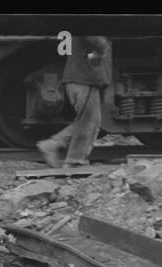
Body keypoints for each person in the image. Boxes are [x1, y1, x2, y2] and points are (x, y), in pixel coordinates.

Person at [37, 36, 112, 169]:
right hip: (84, 80)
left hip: (83, 80)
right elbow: (91, 36)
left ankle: (53, 144)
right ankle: (74, 161)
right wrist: (103, 46)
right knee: (89, 122)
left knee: (90, 121)